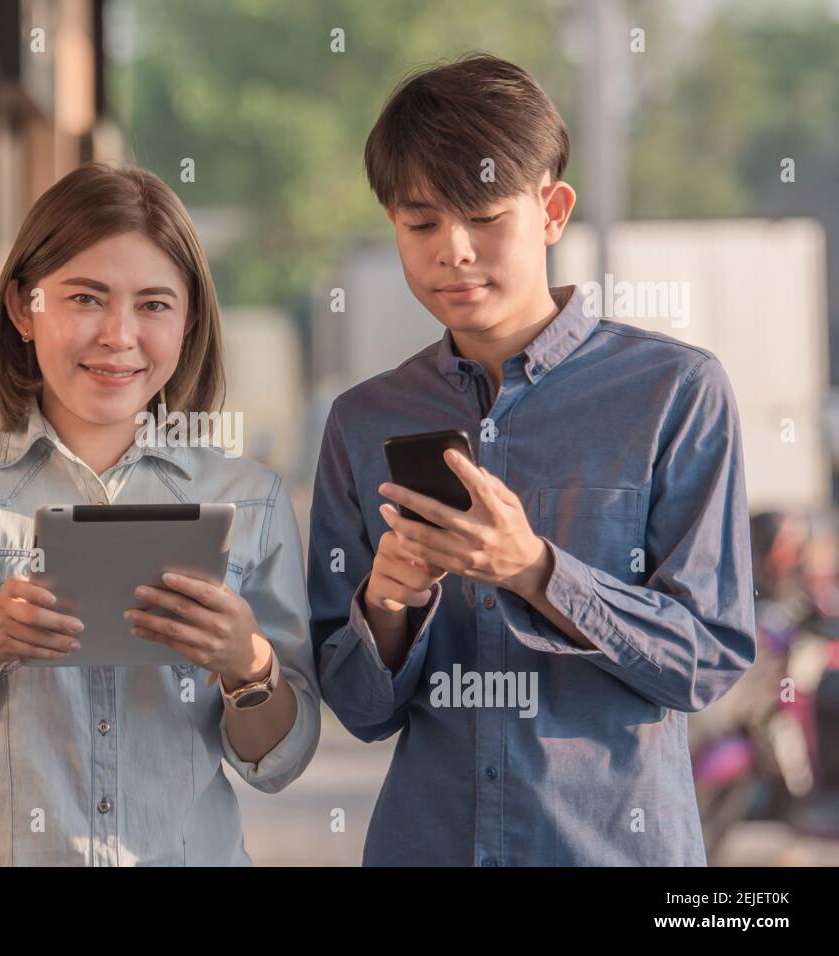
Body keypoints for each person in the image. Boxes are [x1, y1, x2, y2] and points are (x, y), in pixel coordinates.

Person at [307, 53, 756, 865]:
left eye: (483, 217)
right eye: (420, 223)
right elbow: (359, 710)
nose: (453, 251)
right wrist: (386, 608)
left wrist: (537, 571)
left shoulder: (674, 392)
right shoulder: (363, 421)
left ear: (552, 210)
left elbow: (709, 661)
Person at [0, 161, 319, 866]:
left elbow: (281, 760)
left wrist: (248, 665)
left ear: (188, 323)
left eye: (154, 304)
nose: (118, 336)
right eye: (86, 298)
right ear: (22, 310)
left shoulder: (250, 499)